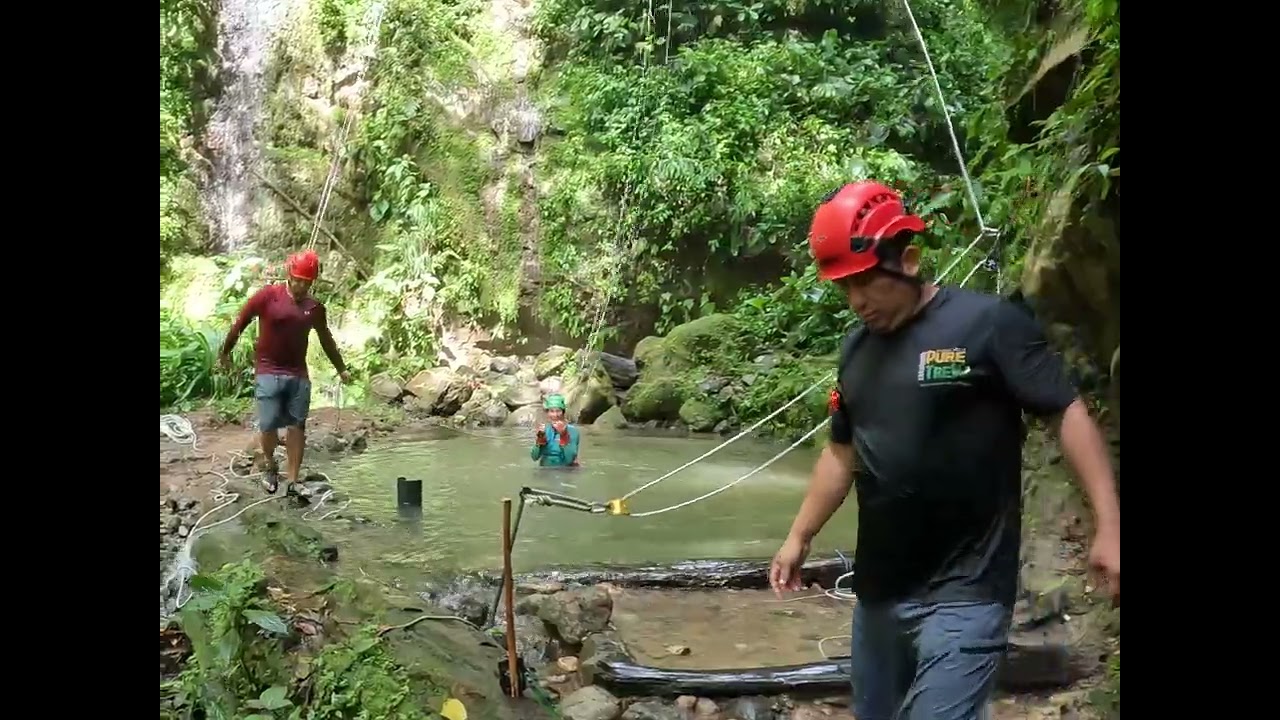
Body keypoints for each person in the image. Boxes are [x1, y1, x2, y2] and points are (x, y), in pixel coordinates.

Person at [769, 181, 1120, 720]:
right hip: (880, 595)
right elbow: (842, 452)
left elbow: (1065, 411)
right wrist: (798, 537)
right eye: (845, 287)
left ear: (907, 261)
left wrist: (1110, 524)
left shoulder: (988, 324)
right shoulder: (856, 349)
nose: (858, 300)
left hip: (968, 593)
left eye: (866, 280)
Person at [219, 249, 351, 495]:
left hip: (298, 374)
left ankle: (292, 481)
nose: (301, 286)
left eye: (307, 282)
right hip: (268, 369)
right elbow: (241, 321)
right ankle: (270, 465)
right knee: (268, 424)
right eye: (298, 279)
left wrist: (341, 368)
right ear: (289, 275)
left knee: (297, 426)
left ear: (313, 282)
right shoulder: (268, 297)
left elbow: (326, 340)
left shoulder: (315, 308)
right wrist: (225, 352)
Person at [529, 394, 581, 467]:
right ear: (547, 413)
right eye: (552, 411)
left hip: (564, 470)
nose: (555, 415)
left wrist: (563, 435)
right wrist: (539, 441)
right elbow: (534, 457)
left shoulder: (572, 431)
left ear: (563, 413)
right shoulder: (544, 430)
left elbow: (569, 459)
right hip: (545, 470)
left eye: (558, 411)